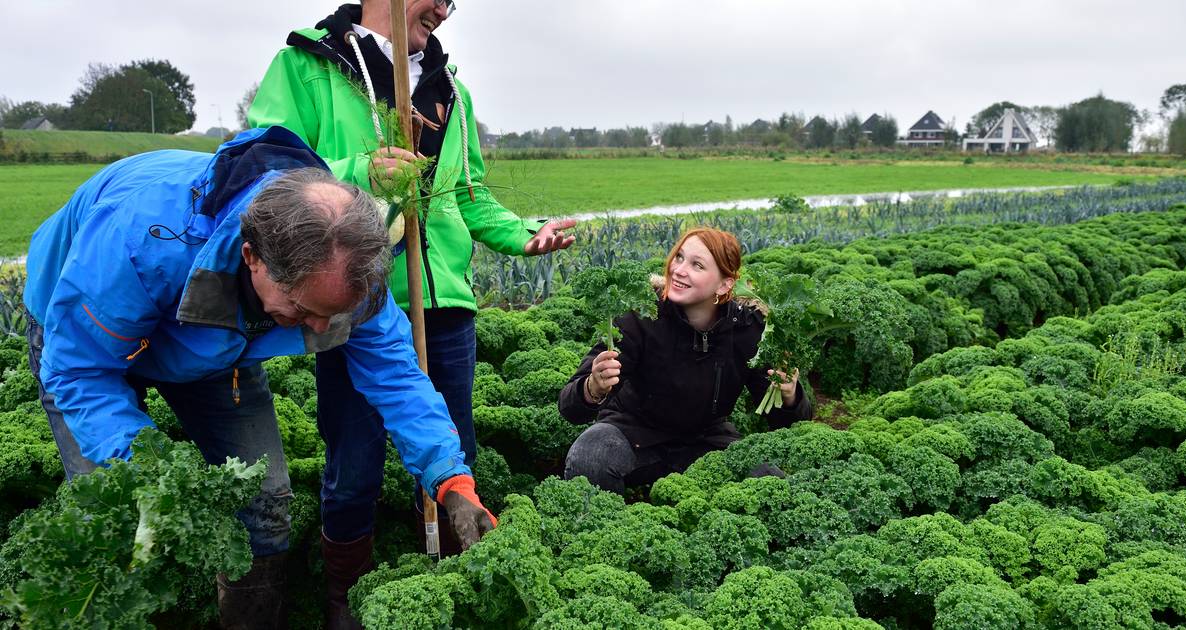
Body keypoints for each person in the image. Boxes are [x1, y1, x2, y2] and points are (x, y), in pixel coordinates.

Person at [22, 127, 495, 629]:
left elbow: (399, 378)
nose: (319, 328)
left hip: (216, 349)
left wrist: (451, 479)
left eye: (331, 316)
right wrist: (154, 475)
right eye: (302, 310)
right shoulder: (144, 241)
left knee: (264, 498)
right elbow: (79, 371)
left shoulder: (350, 268)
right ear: (253, 258)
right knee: (120, 519)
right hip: (85, 333)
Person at [247, 3, 575, 618]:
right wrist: (357, 173)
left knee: (453, 445)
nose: (446, 8)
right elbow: (265, 174)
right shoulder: (306, 66)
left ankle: (458, 579)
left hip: (442, 297)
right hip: (346, 297)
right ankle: (346, 594)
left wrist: (523, 234)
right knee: (355, 457)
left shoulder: (452, 90)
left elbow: (469, 198)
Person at [559, 228, 814, 494]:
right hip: (633, 438)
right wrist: (592, 388)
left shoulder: (748, 328)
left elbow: (787, 426)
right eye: (679, 257)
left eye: (697, 265)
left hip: (708, 443)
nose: (679, 270)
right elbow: (569, 406)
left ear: (725, 284)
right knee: (590, 457)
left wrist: (790, 398)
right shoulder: (640, 316)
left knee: (770, 481)